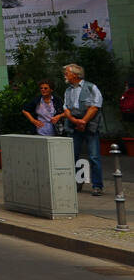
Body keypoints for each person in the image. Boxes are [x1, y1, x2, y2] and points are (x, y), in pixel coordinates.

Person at [62, 64, 104, 195]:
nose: (65, 75)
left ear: (75, 74)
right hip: (74, 127)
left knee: (94, 156)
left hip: (90, 126)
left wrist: (84, 121)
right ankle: (78, 182)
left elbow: (95, 106)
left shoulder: (91, 87)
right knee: (72, 156)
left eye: (67, 73)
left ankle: (97, 186)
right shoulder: (68, 90)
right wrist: (76, 121)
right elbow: (66, 109)